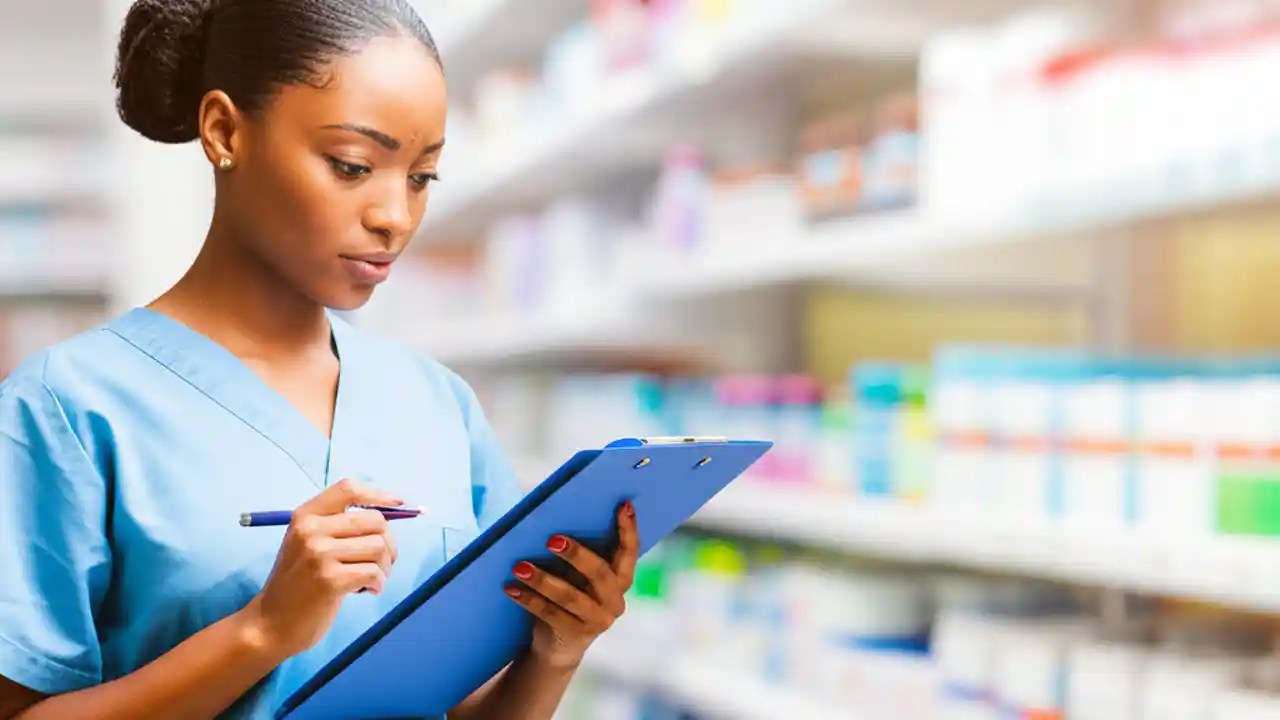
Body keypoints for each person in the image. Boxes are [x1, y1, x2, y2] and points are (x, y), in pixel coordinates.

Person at [0, 1, 639, 718]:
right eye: (352, 166)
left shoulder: (440, 405)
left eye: (421, 177)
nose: (394, 216)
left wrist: (554, 653)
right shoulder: (66, 406)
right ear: (225, 131)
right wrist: (262, 631)